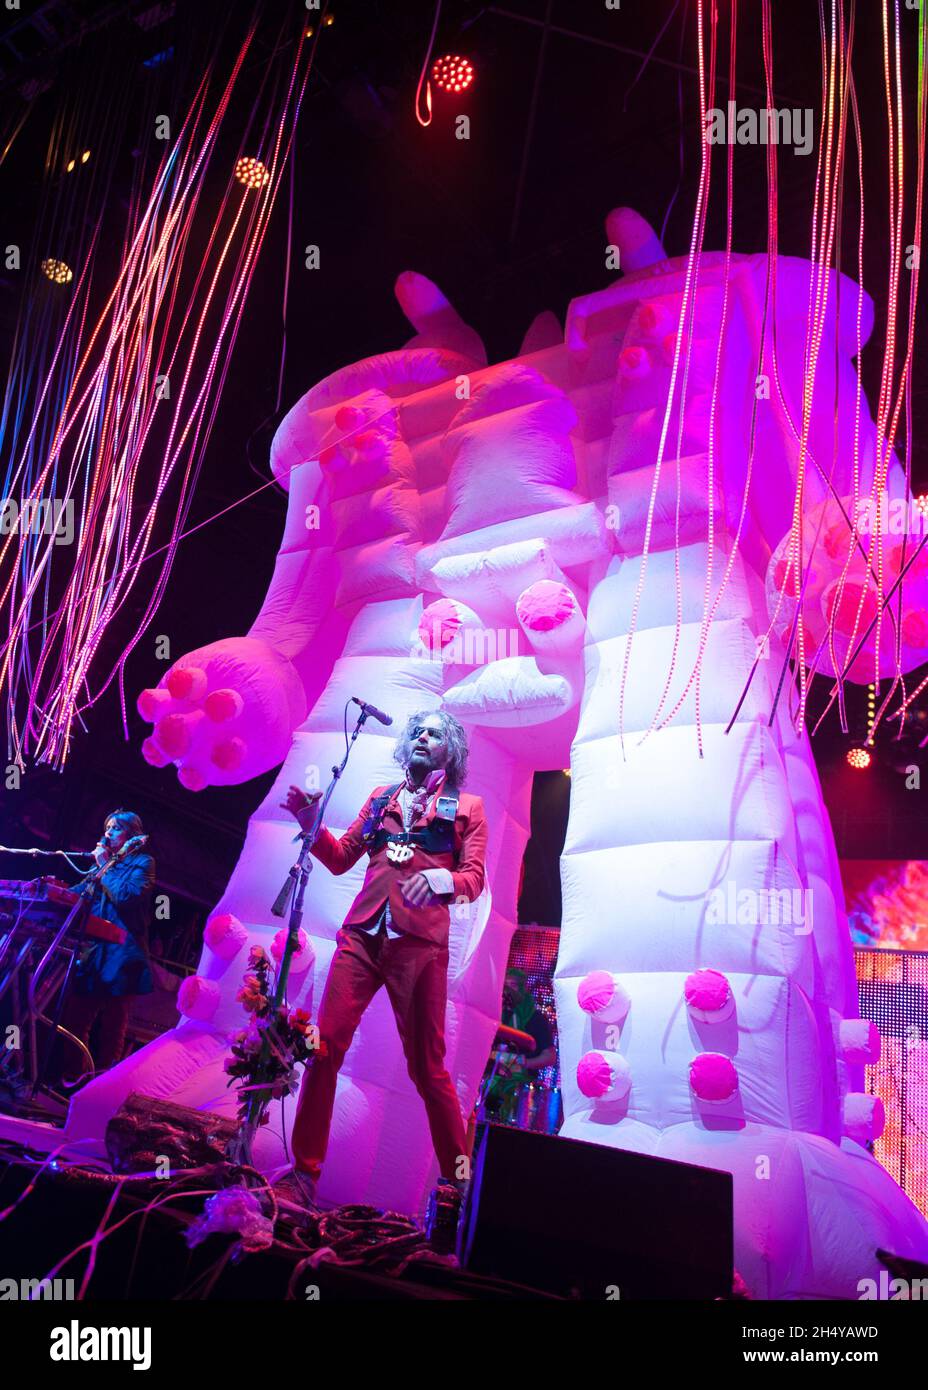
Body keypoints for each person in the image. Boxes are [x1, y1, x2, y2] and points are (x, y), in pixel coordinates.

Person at [281, 708, 488, 1224]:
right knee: (323, 1048)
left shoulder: (467, 807)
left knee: (428, 1070)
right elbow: (341, 855)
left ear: (451, 751)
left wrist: (443, 882)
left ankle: (462, 1190)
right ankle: (304, 1175)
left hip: (419, 947)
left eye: (435, 733)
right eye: (417, 731)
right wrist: (312, 824)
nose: (423, 737)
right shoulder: (382, 799)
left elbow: (474, 879)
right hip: (362, 936)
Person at [60, 810, 155, 1082]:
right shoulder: (104, 865)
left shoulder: (143, 862)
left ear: (131, 834)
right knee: (75, 1019)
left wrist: (104, 867)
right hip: (95, 954)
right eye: (108, 827)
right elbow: (80, 892)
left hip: (123, 956)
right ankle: (71, 1080)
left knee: (112, 1029)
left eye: (116, 828)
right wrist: (49, 890)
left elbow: (127, 897)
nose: (108, 833)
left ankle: (102, 1088)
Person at [482, 967, 557, 1125]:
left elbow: (550, 1056)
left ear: (523, 989)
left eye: (513, 985)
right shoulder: (493, 1014)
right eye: (506, 985)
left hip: (520, 1087)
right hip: (489, 1083)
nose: (508, 990)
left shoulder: (536, 1019)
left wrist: (525, 1062)